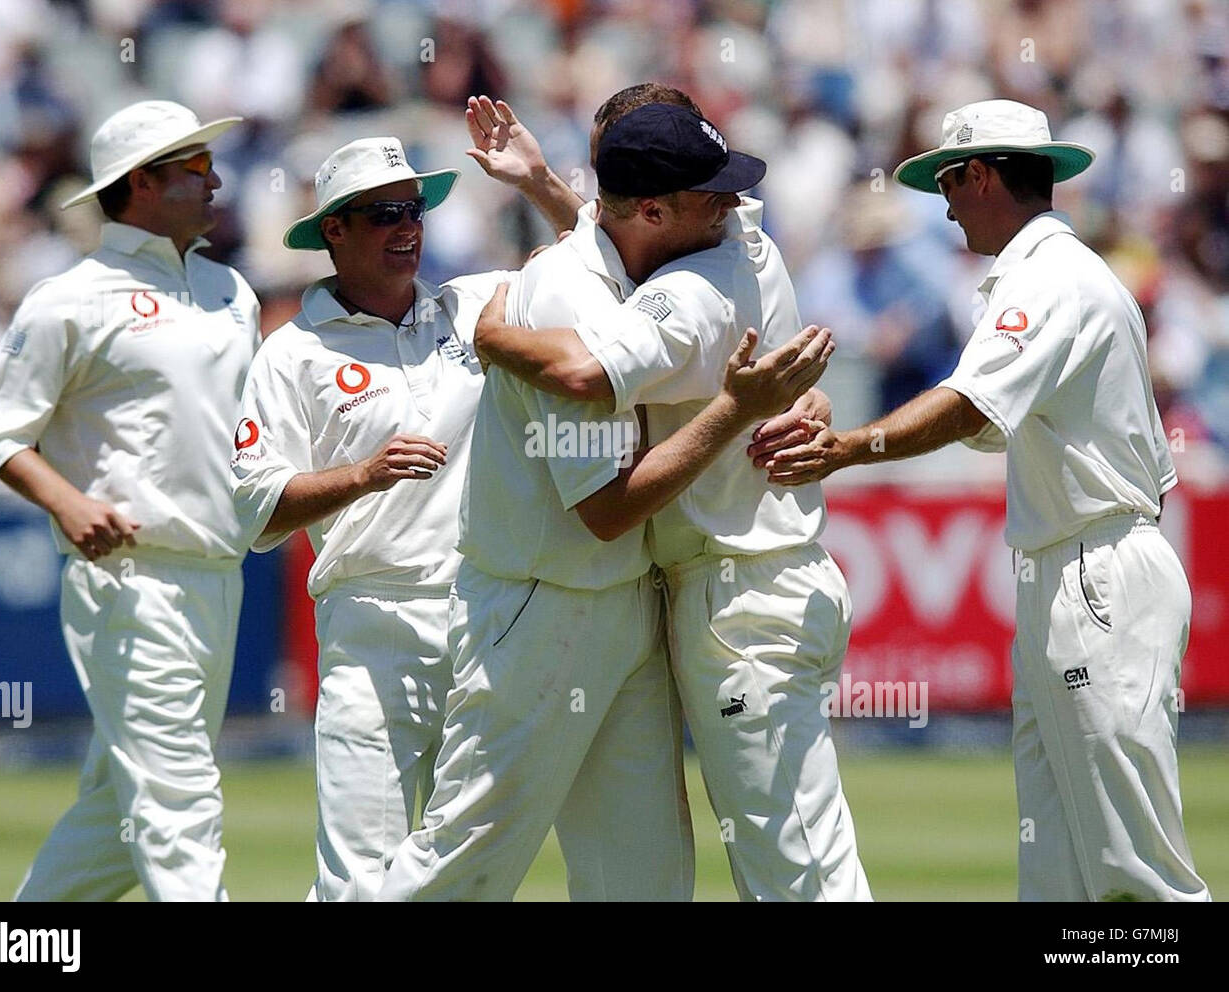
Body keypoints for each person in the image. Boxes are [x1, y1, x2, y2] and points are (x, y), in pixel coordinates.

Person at [378, 96, 835, 901]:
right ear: (655, 209)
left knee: (643, 882)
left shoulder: (672, 254)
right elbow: (607, 510)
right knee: (460, 869)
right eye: (712, 193)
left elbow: (610, 243)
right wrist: (740, 409)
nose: (733, 207)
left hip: (628, 605)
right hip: (540, 607)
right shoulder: (566, 299)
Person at [772, 98, 1209, 902]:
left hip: (1098, 572)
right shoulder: (1039, 277)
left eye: (946, 180)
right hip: (1068, 571)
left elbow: (970, 403)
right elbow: (986, 422)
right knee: (1061, 877)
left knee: (1133, 873)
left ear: (978, 175)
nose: (941, 205)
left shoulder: (1052, 278)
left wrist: (849, 448)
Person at [229, 124, 583, 901]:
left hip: (488, 613)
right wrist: (360, 474)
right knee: (361, 879)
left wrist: (538, 181)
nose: (407, 228)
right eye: (383, 214)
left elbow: (597, 263)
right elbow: (255, 512)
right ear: (334, 230)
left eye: (414, 210)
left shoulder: (469, 306)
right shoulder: (292, 353)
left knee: (470, 873)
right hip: (373, 625)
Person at [0, 100, 260, 901]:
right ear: (143, 185)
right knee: (178, 805)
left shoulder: (233, 291)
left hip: (218, 577)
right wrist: (66, 502)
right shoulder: (70, 298)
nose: (217, 180)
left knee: (118, 823)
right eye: (196, 168)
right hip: (130, 576)